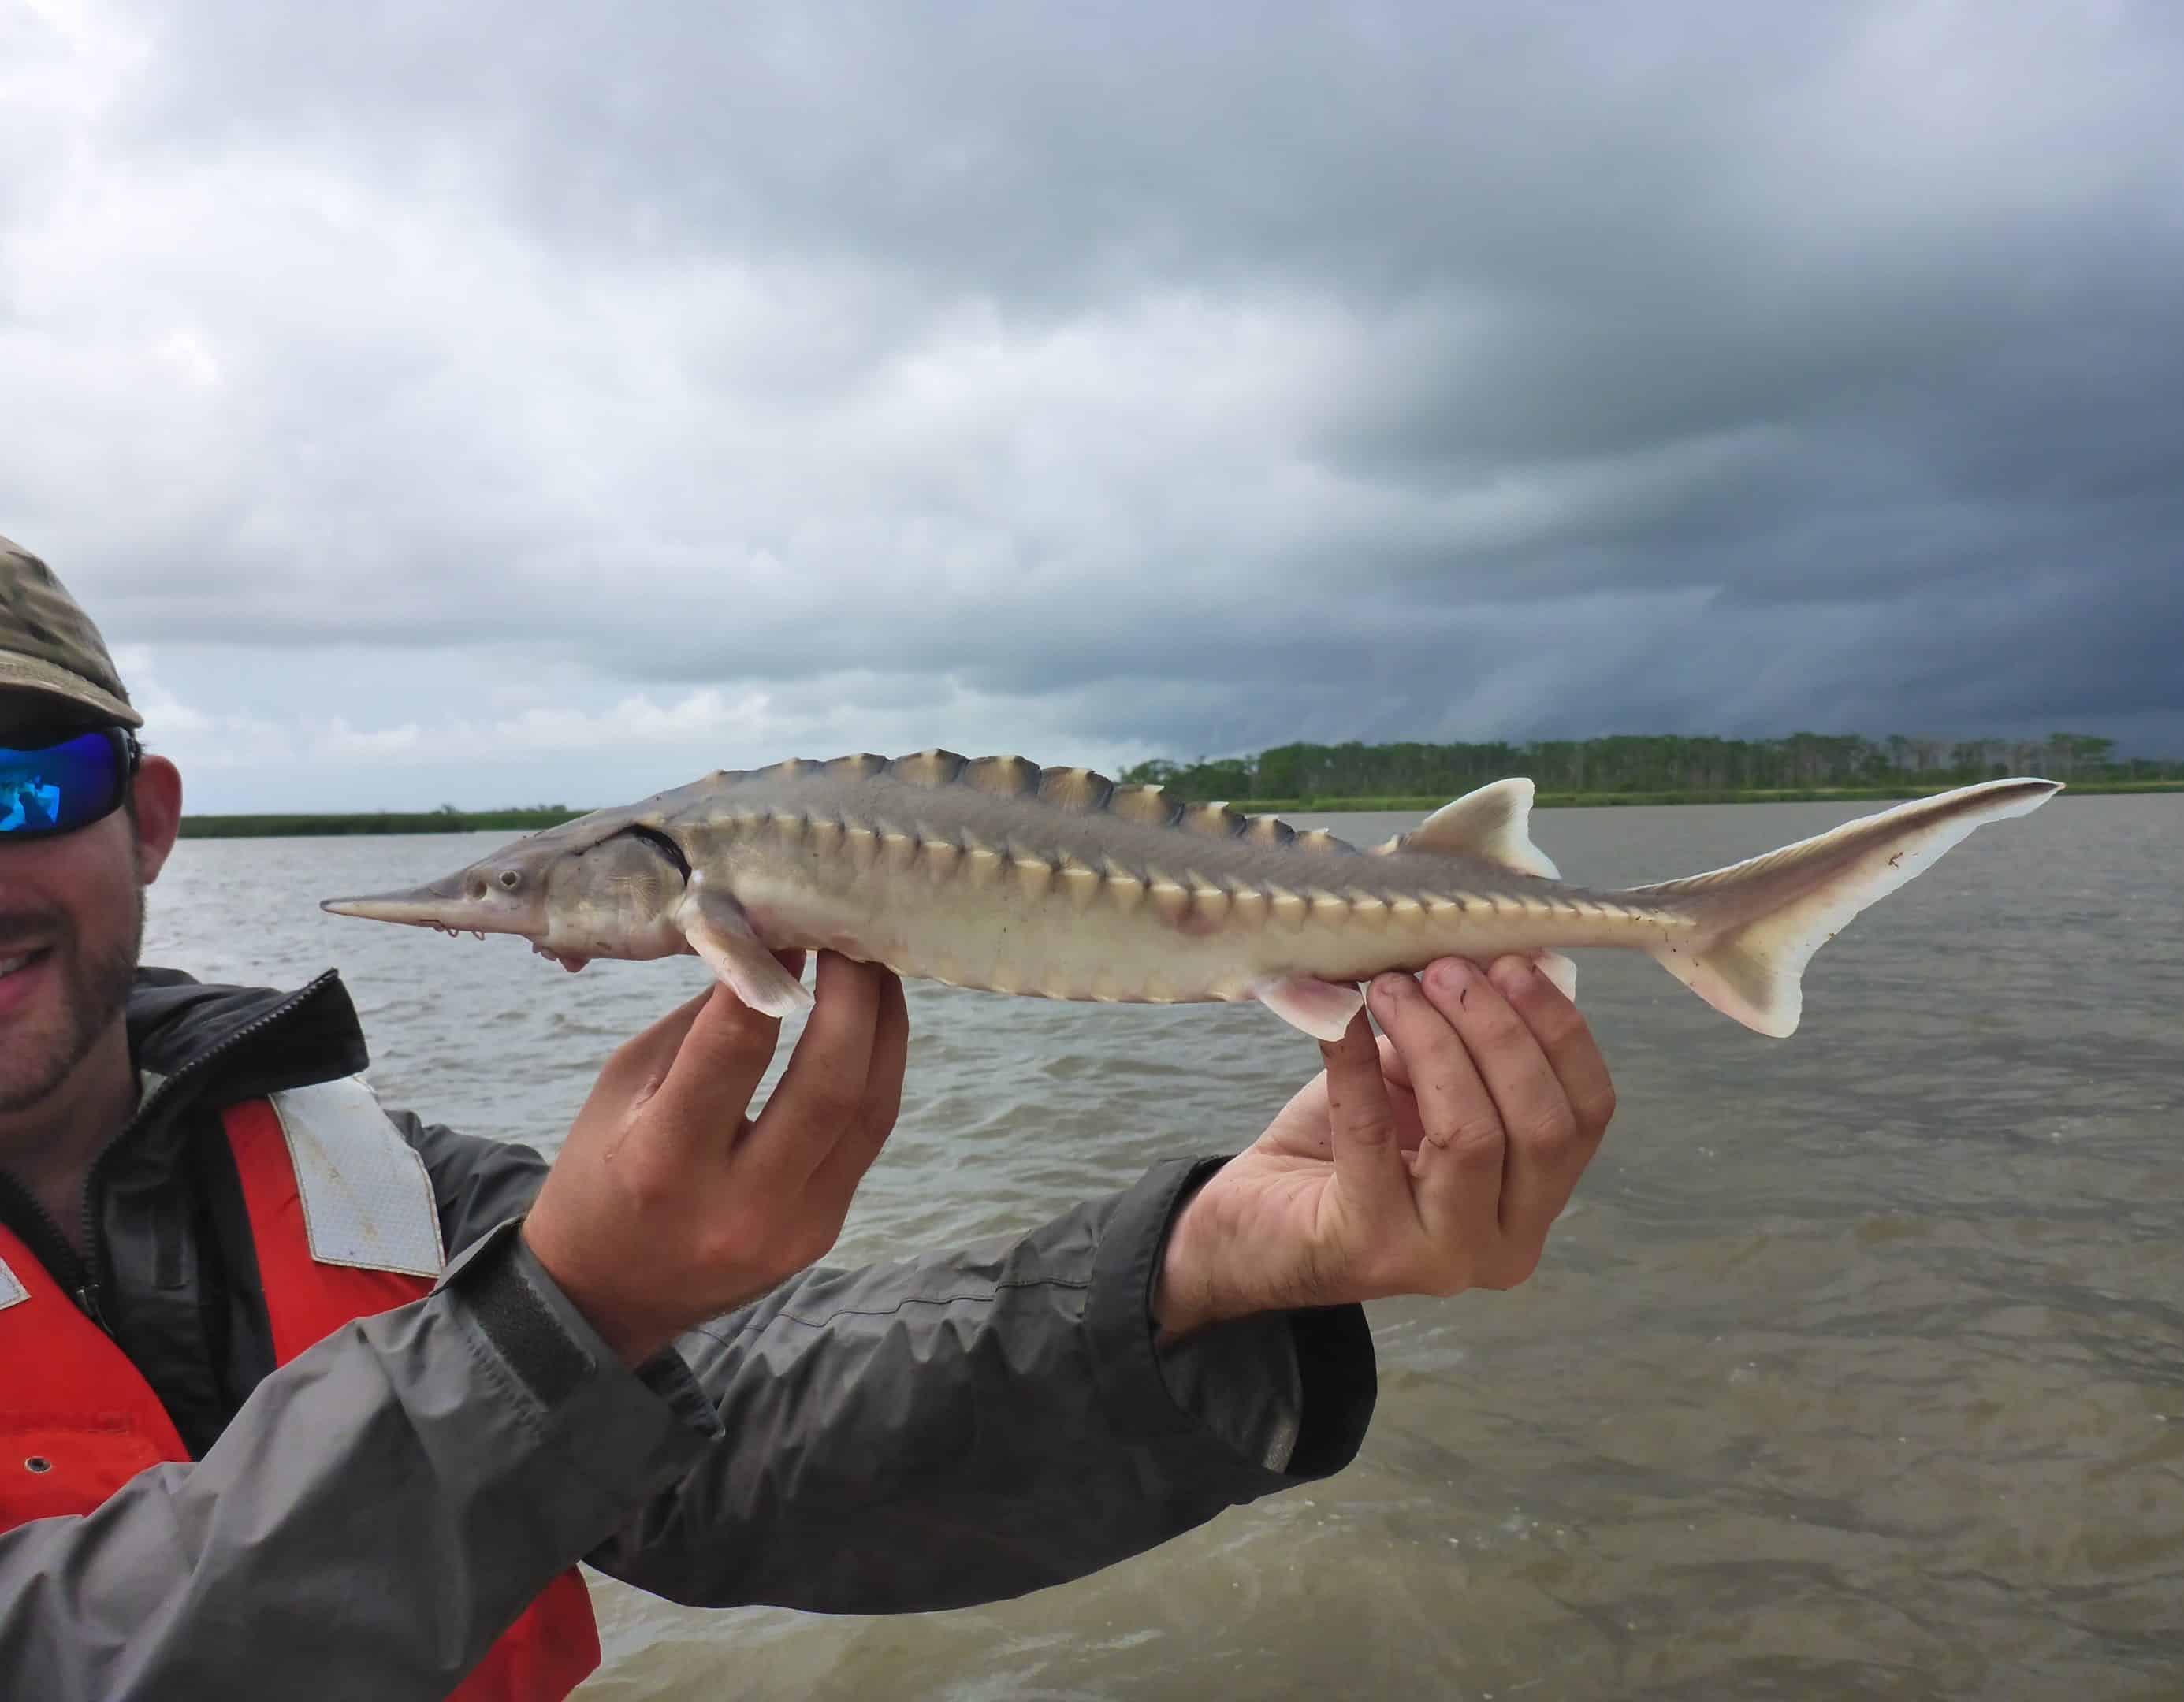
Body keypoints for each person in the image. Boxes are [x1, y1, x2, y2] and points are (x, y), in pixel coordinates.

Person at [0, 532, 1615, 1699]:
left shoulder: (356, 1178)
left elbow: (742, 1427)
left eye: (19, 786)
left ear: (146, 822)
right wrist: (562, 1326)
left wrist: (1202, 1271)